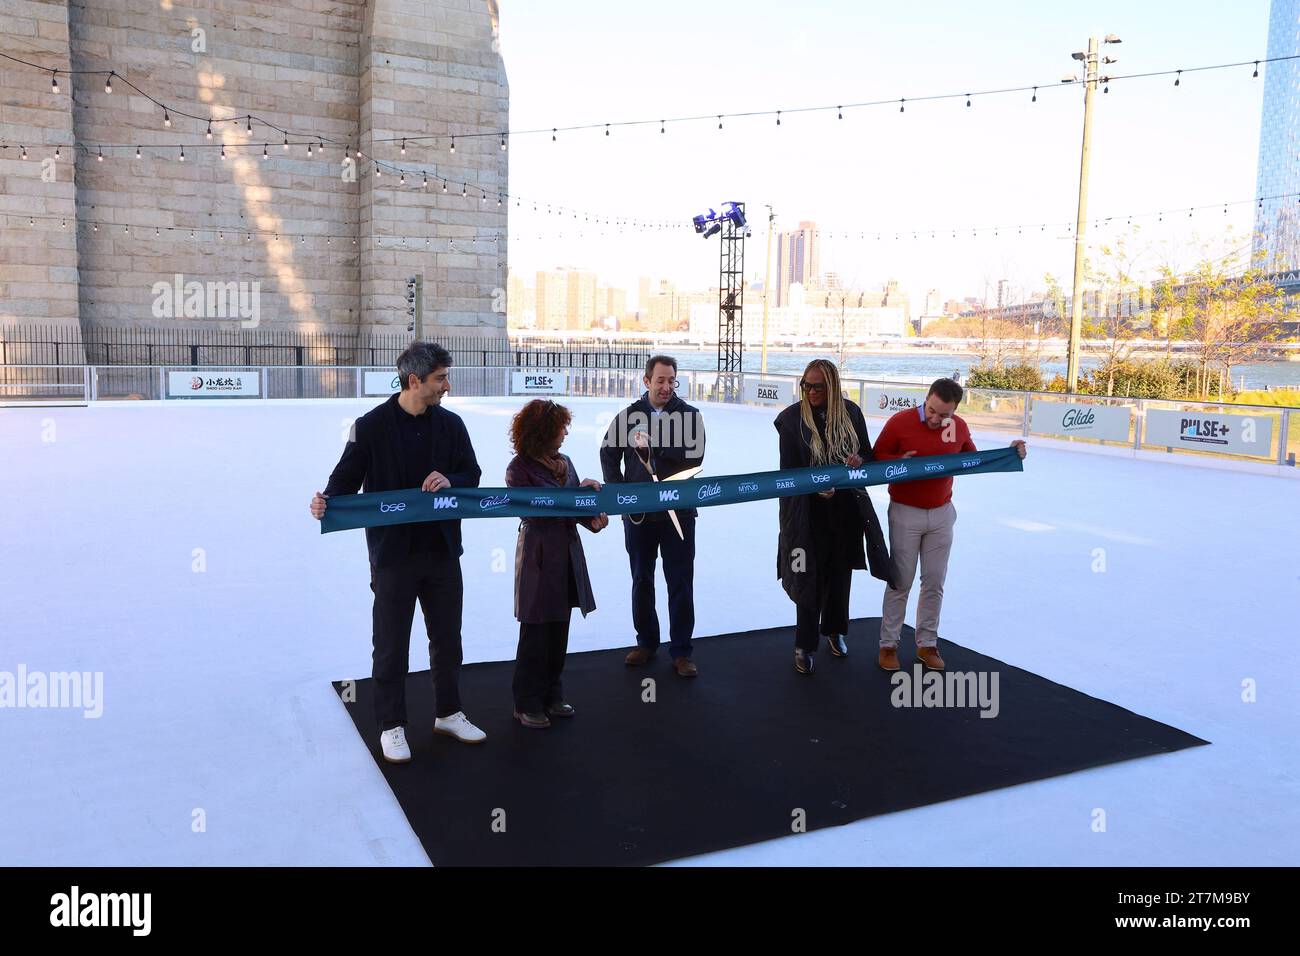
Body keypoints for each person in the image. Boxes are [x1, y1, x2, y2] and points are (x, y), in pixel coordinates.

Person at [310, 341, 485, 764]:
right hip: (393, 557)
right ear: (414, 380)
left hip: (443, 551)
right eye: (440, 378)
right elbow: (344, 480)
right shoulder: (369, 426)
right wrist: (325, 502)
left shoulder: (453, 425)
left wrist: (451, 479)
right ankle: (391, 725)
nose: (447, 385)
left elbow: (473, 474)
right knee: (391, 643)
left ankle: (448, 712)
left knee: (447, 640)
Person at [873, 378, 1027, 671]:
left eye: (943, 415)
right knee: (900, 581)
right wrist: (897, 460)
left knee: (934, 581)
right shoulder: (899, 422)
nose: (935, 419)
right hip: (905, 512)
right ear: (926, 399)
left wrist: (1009, 452)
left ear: (954, 410)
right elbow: (875, 457)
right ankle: (888, 645)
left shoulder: (959, 427)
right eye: (931, 410)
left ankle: (927, 643)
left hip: (943, 512)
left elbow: (974, 460)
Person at [774, 359, 891, 674]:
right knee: (808, 577)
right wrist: (814, 489)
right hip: (806, 513)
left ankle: (835, 630)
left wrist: (858, 459)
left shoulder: (851, 413)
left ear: (832, 386)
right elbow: (789, 473)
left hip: (845, 510)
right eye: (806, 385)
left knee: (840, 574)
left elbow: (868, 453)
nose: (810, 391)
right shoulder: (790, 420)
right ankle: (804, 643)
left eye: (817, 386)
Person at [600, 355, 707, 677]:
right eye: (659, 380)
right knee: (642, 580)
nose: (666, 386)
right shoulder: (629, 416)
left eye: (671, 380)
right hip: (640, 516)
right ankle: (646, 643)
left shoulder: (690, 416)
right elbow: (608, 453)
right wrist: (621, 494)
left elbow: (695, 457)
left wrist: (654, 448)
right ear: (646, 381)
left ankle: (681, 651)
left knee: (680, 582)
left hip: (679, 515)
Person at [506, 399, 609, 728]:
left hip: (566, 554)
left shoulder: (565, 462)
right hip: (538, 556)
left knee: (559, 630)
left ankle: (552, 693)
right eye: (558, 427)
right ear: (541, 432)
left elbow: (575, 507)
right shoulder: (518, 469)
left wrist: (591, 513)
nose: (565, 433)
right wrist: (575, 499)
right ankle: (526, 702)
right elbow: (531, 510)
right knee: (535, 632)